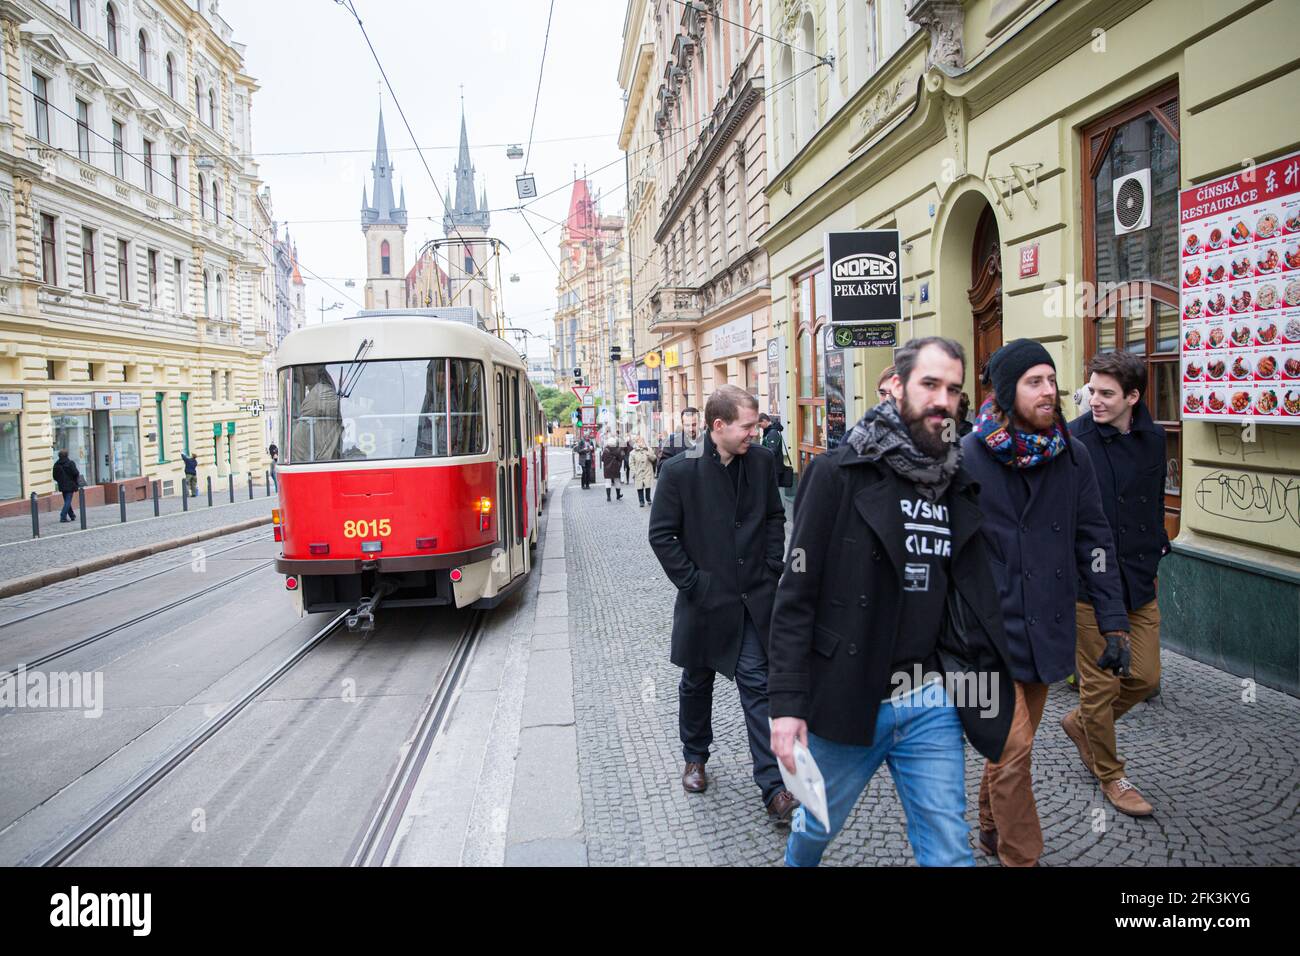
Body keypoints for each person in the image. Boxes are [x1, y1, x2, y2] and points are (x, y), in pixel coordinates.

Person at [769, 337, 1014, 867]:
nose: (942, 400)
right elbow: (795, 595)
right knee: (816, 827)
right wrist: (786, 706)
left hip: (929, 699)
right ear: (898, 387)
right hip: (851, 695)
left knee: (948, 846)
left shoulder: (956, 481)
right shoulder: (838, 474)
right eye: (930, 384)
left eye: (952, 389)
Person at [960, 338, 1129, 867]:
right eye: (1035, 382)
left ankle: (989, 826)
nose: (1049, 391)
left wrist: (1114, 623)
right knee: (1014, 751)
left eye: (1052, 380)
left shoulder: (1072, 456)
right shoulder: (967, 457)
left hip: (1045, 626)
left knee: (1012, 747)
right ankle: (1021, 857)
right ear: (1008, 392)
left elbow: (1094, 542)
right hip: (988, 632)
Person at [649, 384, 798, 822]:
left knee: (758, 687)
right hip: (704, 602)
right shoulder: (679, 471)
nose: (756, 432)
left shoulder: (763, 461)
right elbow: (661, 535)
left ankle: (773, 788)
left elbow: (775, 516)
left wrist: (772, 565)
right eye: (748, 426)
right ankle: (695, 756)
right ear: (719, 426)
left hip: (753, 598)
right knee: (697, 682)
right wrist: (695, 584)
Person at [1063, 350, 1169, 816]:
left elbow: (1149, 508)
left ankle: (1081, 724)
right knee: (1101, 685)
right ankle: (1111, 774)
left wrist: (1154, 564)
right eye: (1091, 391)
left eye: (1106, 394)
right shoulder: (1073, 440)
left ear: (1133, 397)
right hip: (1090, 584)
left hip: (1140, 581)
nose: (1094, 400)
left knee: (1144, 677)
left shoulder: (1154, 440)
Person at [52, 450, 81, 522]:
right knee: (68, 501)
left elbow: (54, 476)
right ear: (67, 455)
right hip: (70, 485)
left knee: (67, 501)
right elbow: (76, 473)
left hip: (62, 485)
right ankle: (63, 516)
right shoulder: (70, 463)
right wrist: (75, 481)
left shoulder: (56, 464)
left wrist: (60, 480)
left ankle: (72, 515)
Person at [629, 435, 656, 507]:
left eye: (642, 441)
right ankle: (641, 501)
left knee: (647, 486)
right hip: (638, 472)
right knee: (639, 487)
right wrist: (635, 471)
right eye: (639, 441)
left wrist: (648, 454)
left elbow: (654, 459)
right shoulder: (632, 452)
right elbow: (631, 463)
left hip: (647, 471)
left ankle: (648, 498)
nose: (641, 443)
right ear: (636, 442)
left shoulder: (648, 449)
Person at [601, 437, 625, 502]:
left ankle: (608, 497)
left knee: (608, 482)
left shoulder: (605, 450)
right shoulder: (618, 449)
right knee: (617, 481)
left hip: (607, 469)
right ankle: (618, 495)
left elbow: (602, 459)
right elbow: (621, 458)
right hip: (615, 468)